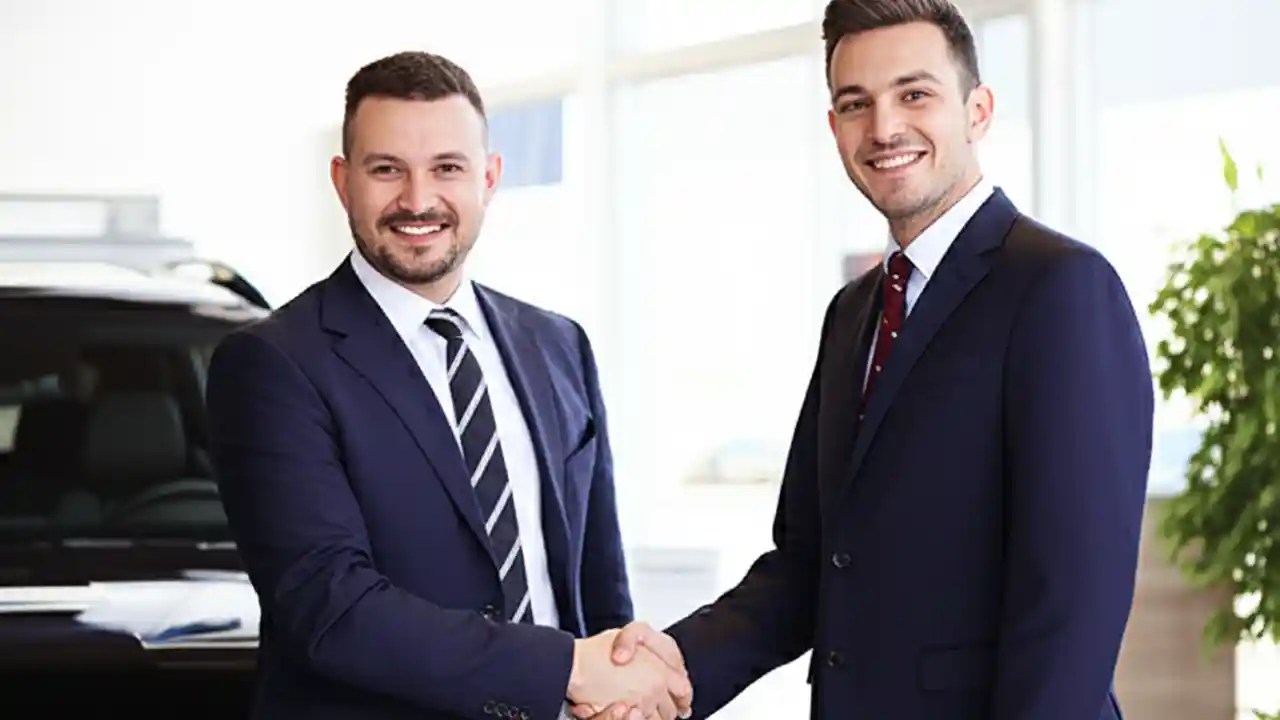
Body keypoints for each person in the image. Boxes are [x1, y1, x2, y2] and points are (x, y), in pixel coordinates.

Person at [591, 0, 1155, 718]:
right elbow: (809, 566)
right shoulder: (853, 312)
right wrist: (674, 672)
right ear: (834, 128)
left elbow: (1070, 608)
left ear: (977, 110)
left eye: (914, 94)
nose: (884, 127)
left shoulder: (1059, 288)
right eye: (856, 103)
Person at [205, 51, 691, 720]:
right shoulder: (273, 364)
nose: (418, 200)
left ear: (489, 178)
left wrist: (619, 679)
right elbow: (330, 605)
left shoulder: (558, 345)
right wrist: (562, 670)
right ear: (343, 182)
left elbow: (597, 583)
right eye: (386, 170)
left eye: (447, 168)